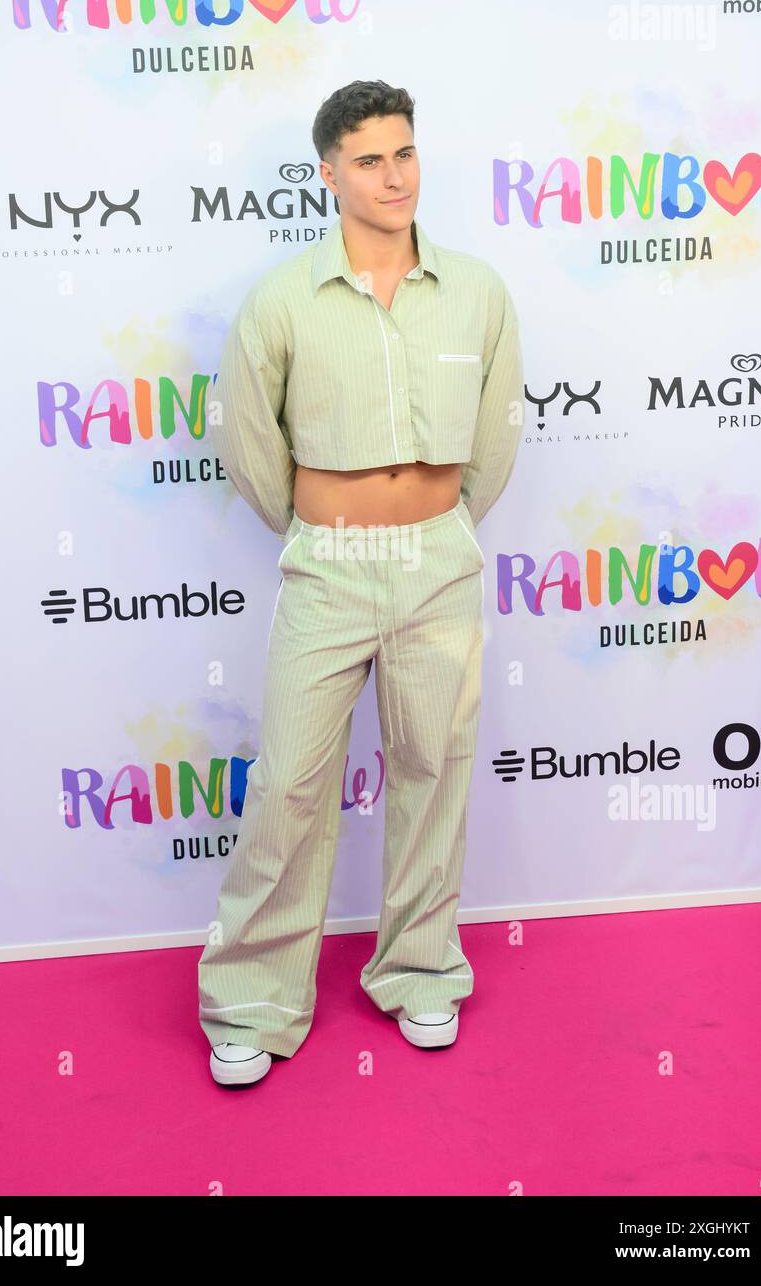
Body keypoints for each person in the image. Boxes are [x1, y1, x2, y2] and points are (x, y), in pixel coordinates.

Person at [198, 80, 525, 1086]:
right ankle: (254, 996)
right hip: (329, 566)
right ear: (330, 172)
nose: (393, 175)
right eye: (371, 159)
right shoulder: (283, 298)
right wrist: (318, 528)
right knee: (292, 783)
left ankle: (423, 971)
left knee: (435, 771)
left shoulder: (475, 288)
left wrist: (449, 523)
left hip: (437, 559)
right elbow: (250, 441)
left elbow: (499, 430)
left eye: (405, 153)